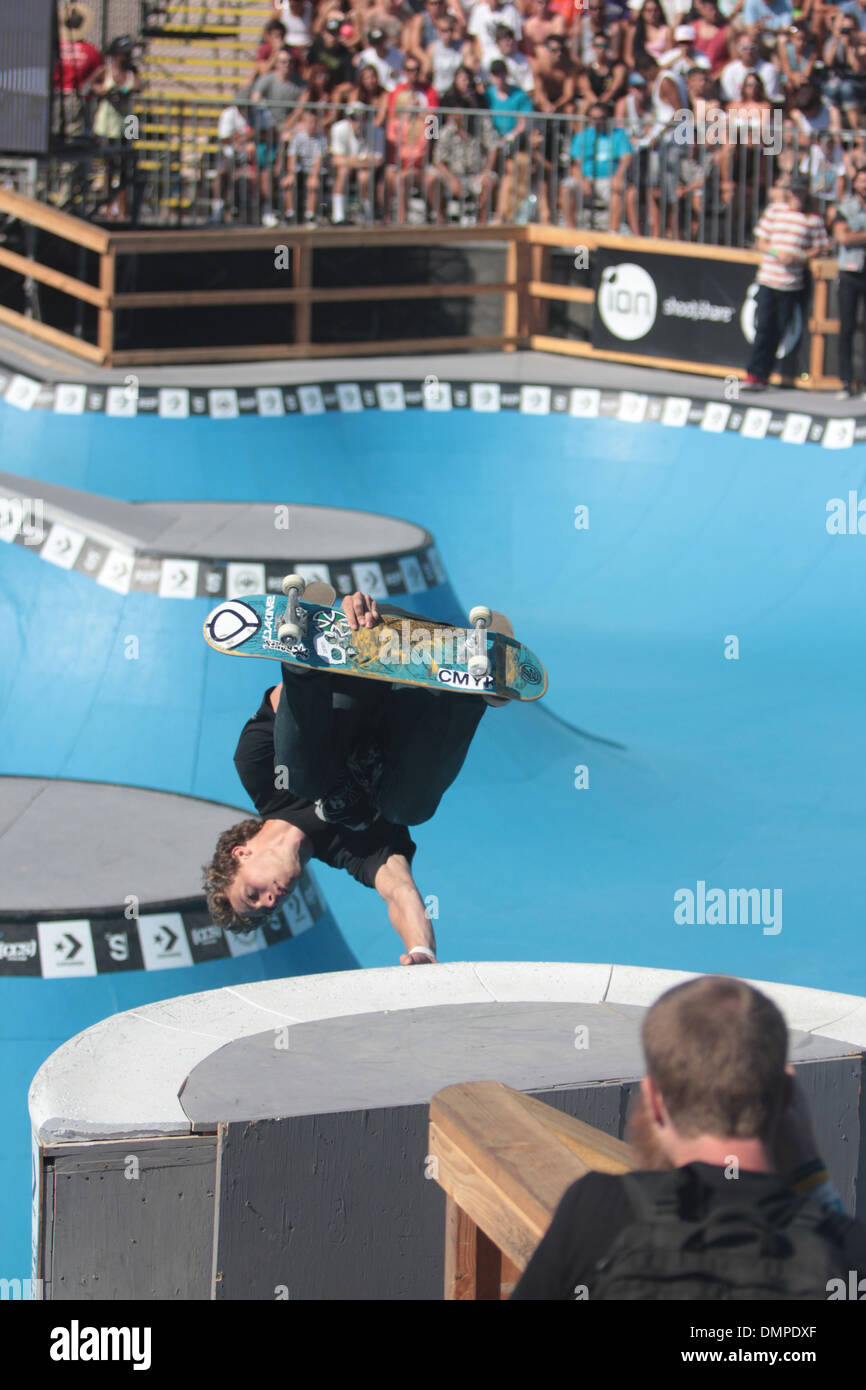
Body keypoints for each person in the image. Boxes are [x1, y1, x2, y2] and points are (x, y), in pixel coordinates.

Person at [511, 975, 866, 1299]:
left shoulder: (598, 1209)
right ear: (788, 1099)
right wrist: (811, 1172)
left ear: (654, 1101)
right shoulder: (845, 1248)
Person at [204, 591, 496, 964]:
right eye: (266, 909)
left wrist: (333, 615)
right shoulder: (351, 849)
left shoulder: (257, 770)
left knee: (302, 781)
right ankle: (473, 685)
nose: (271, 900)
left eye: (252, 894)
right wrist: (422, 952)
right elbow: (398, 889)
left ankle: (304, 651)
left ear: (241, 854)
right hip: (428, 682)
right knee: (406, 809)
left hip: (363, 640)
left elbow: (288, 706)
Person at [742, 177, 831, 390]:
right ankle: (754, 374)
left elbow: (821, 247)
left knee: (780, 330)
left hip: (791, 284)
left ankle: (765, 374)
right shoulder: (775, 211)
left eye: (801, 192)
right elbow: (760, 241)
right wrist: (776, 252)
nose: (797, 196)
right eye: (794, 192)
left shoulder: (813, 219)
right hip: (768, 279)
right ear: (789, 193)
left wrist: (799, 256)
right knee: (763, 327)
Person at [831, 163, 866, 397]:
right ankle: (845, 381)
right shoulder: (846, 208)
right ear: (855, 183)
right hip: (850, 272)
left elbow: (851, 236)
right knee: (847, 327)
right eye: (862, 179)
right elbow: (843, 237)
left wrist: (858, 236)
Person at [53, 2, 104, 139]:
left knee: (53, 133)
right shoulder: (91, 51)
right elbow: (100, 72)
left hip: (55, 96)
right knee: (75, 135)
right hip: (77, 97)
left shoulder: (55, 49)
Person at [330, 102, 385, 221]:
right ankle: (339, 216)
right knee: (343, 171)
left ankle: (366, 214)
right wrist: (362, 160)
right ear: (349, 119)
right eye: (353, 118)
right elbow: (336, 160)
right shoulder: (338, 129)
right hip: (349, 169)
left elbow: (377, 161)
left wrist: (350, 160)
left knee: (364, 176)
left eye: (361, 118)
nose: (357, 122)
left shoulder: (377, 132)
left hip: (366, 171)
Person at [283, 106, 328, 222]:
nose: (312, 125)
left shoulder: (322, 138)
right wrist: (291, 174)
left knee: (312, 185)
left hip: (316, 171)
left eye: (314, 122)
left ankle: (310, 215)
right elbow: (292, 156)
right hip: (300, 170)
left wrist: (314, 176)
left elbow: (319, 159)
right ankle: (290, 214)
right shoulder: (298, 137)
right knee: (288, 183)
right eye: (309, 122)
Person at [720, 33, 782, 101]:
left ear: (758, 48)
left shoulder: (769, 69)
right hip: (737, 109)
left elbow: (769, 95)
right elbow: (730, 98)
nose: (749, 51)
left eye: (752, 48)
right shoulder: (729, 70)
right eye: (744, 48)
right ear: (738, 50)